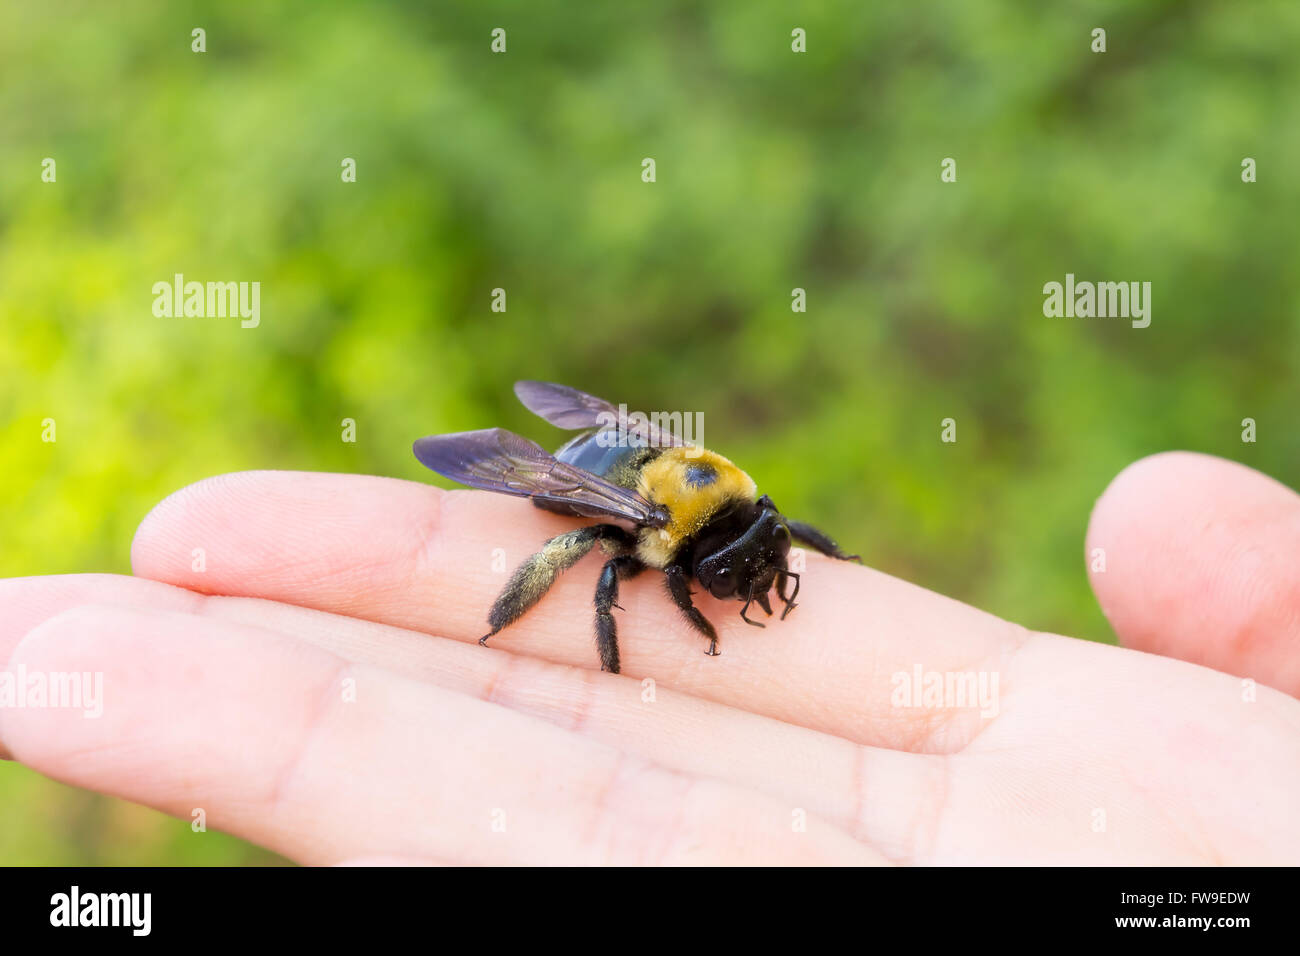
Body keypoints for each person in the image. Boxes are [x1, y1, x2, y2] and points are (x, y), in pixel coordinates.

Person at [1, 451, 1297, 865]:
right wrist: (642, 642)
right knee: (572, 570)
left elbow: (751, 532)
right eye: (736, 571)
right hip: (604, 490)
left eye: (763, 561)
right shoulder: (643, 534)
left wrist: (796, 566)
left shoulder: (742, 509)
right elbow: (651, 577)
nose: (747, 582)